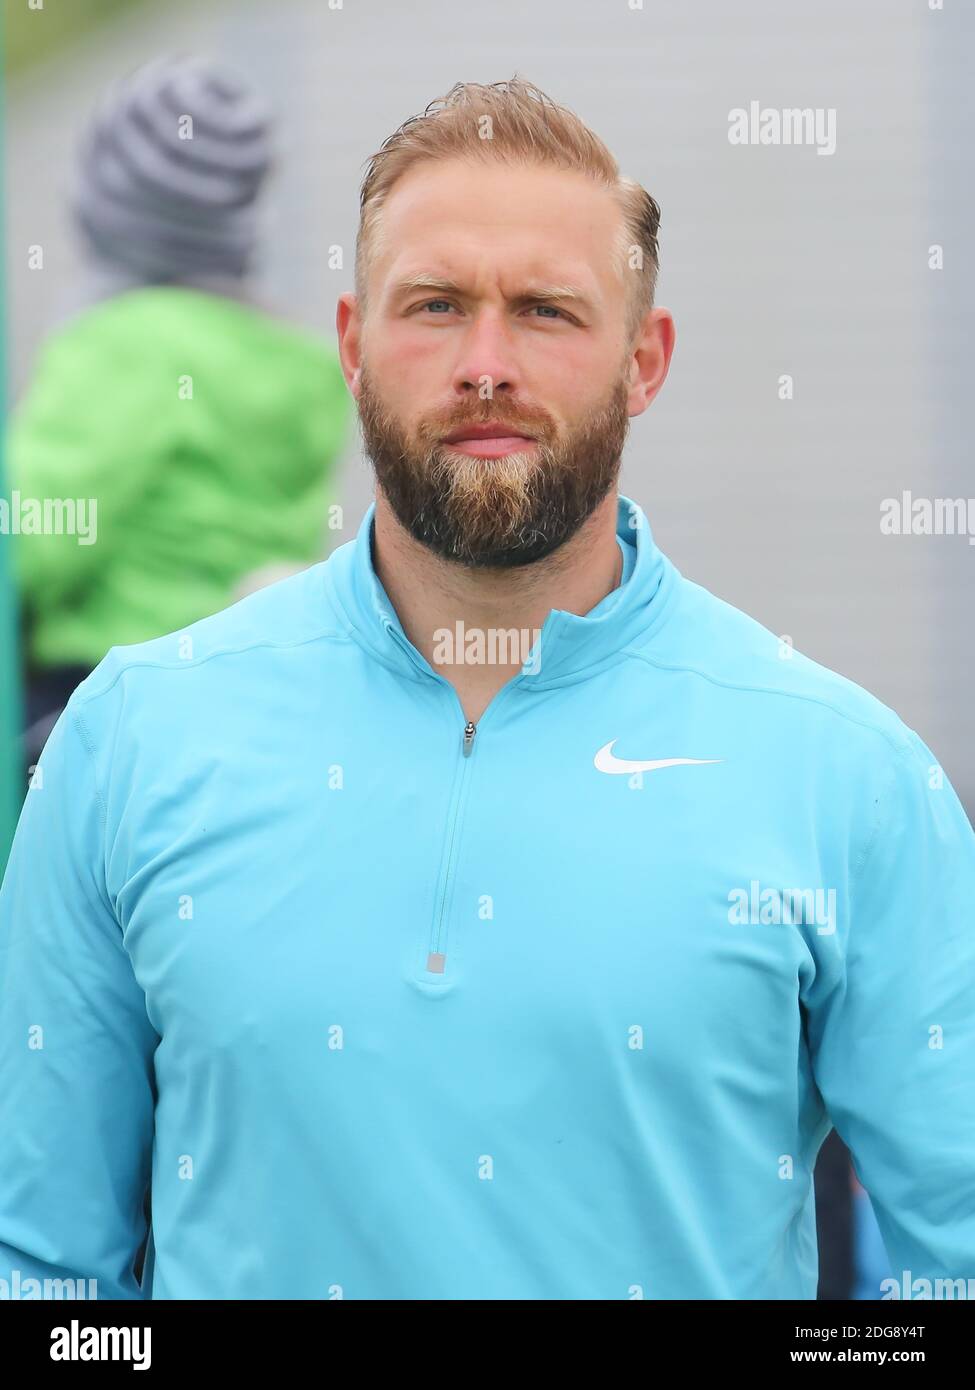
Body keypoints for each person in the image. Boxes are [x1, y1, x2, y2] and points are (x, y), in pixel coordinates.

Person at [1, 76, 973, 1301]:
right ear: (352, 346)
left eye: (549, 311)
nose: (486, 365)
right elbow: (39, 1277)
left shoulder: (851, 777)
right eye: (437, 305)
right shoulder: (126, 741)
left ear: (645, 359)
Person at [8, 53, 351, 774]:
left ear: (105, 215)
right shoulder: (299, 365)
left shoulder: (120, 346)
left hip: (102, 695)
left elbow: (34, 544)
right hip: (252, 700)